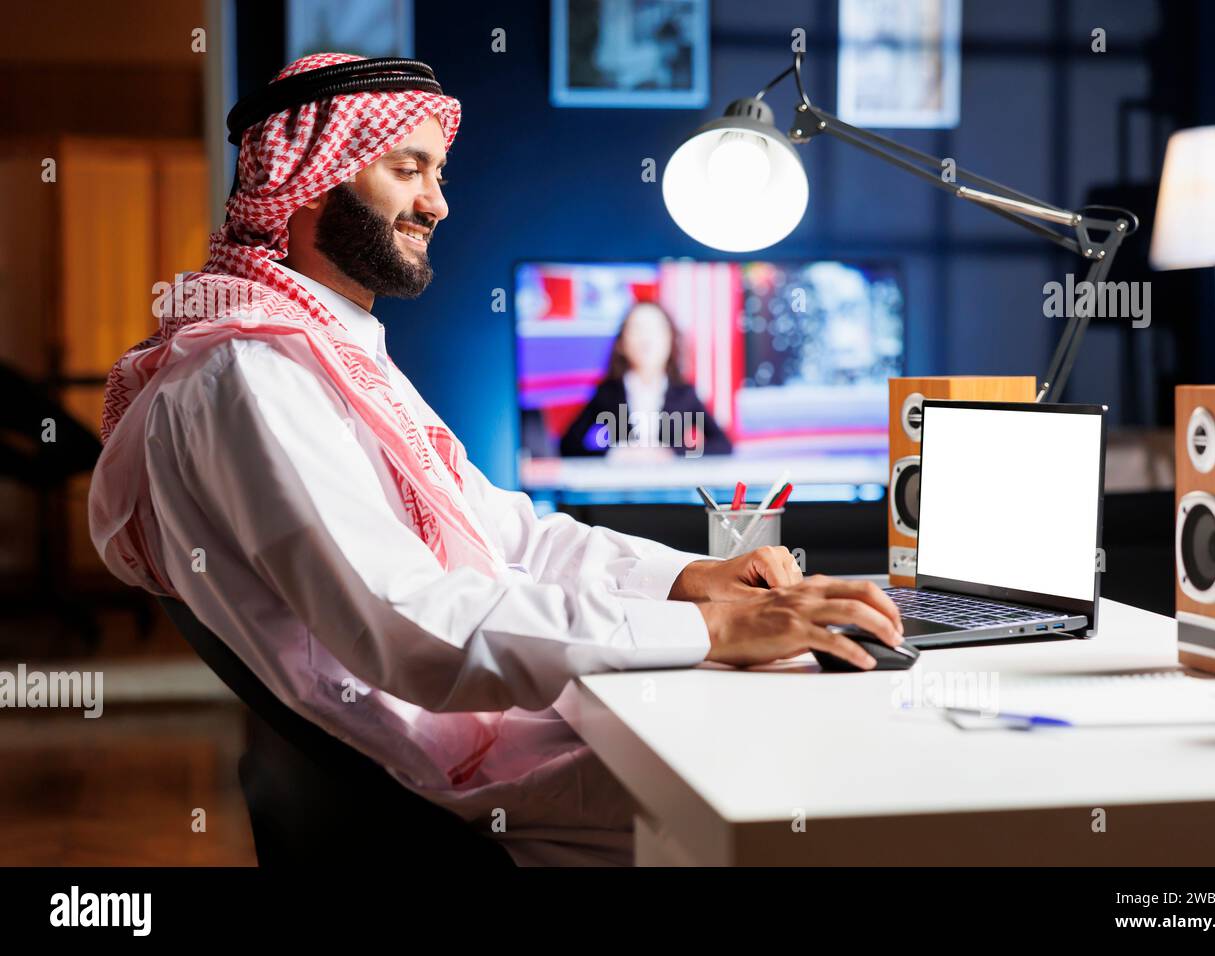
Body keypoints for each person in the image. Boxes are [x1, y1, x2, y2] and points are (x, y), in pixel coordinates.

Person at [88, 53, 903, 866]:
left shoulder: (318, 354)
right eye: (407, 170)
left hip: (480, 736)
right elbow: (410, 623)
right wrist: (712, 629)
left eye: (437, 173)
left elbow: (509, 534)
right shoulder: (251, 377)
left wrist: (687, 582)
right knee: (827, 786)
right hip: (457, 771)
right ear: (308, 179)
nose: (436, 203)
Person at [559, 300, 732, 457]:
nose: (646, 339)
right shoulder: (608, 392)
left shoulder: (684, 393)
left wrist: (672, 454)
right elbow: (568, 445)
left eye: (656, 330)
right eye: (637, 330)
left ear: (670, 339)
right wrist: (615, 454)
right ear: (621, 344)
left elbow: (722, 445)